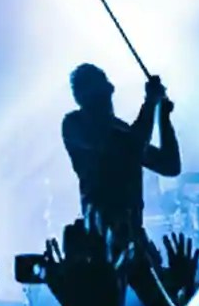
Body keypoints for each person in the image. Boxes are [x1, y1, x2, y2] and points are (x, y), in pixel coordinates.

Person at [62, 65, 181, 234]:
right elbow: (135, 147)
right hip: (101, 235)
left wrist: (163, 117)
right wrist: (151, 103)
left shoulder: (121, 129)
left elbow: (169, 166)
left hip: (131, 232)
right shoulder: (75, 125)